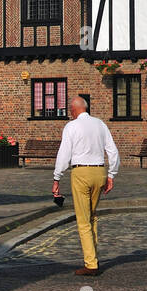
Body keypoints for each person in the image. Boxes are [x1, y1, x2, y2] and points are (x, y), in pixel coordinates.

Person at [52, 96, 119, 276]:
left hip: (81, 172)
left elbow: (64, 153)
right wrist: (111, 175)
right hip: (99, 172)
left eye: (70, 111)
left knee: (83, 220)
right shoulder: (100, 124)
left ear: (74, 110)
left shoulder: (71, 127)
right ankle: (93, 256)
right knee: (92, 216)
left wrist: (56, 178)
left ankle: (91, 264)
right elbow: (112, 150)